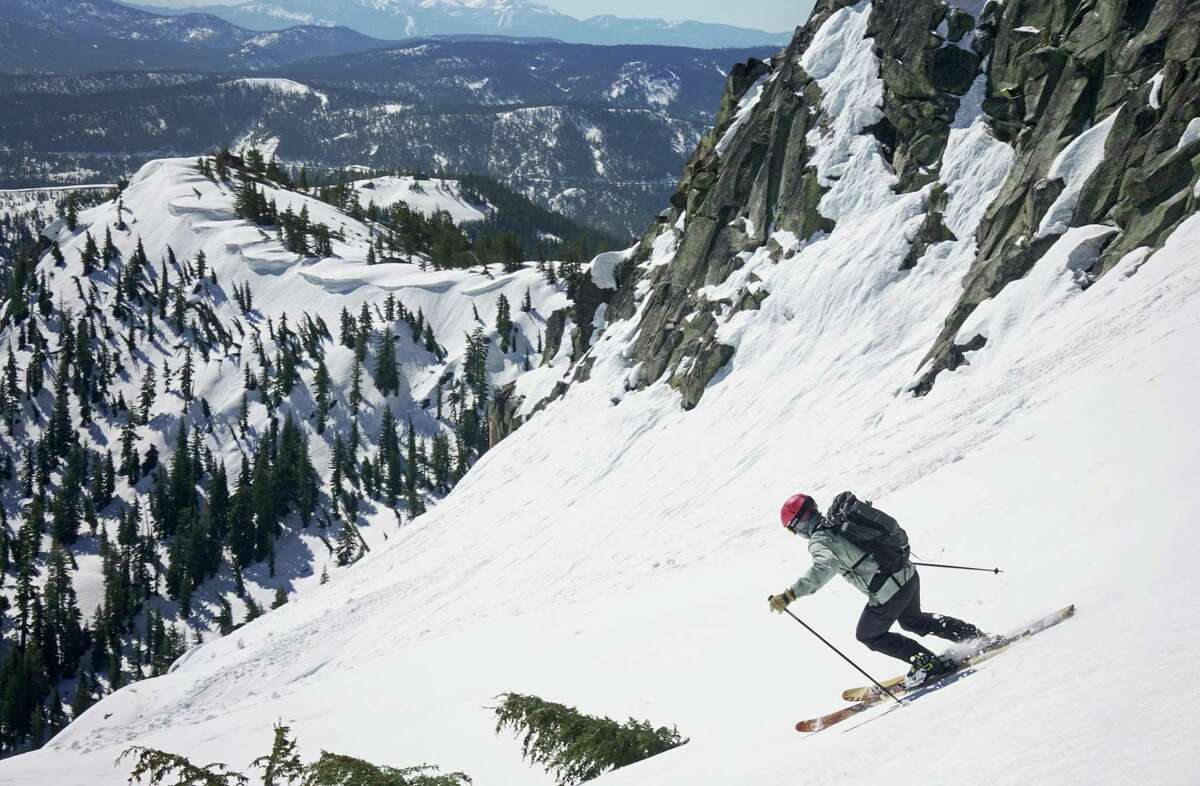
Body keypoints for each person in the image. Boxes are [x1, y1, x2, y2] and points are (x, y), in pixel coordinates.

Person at [768, 492, 997, 687]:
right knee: (913, 621)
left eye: (793, 530)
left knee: (868, 635)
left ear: (799, 524)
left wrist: (790, 594)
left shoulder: (820, 540)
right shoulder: (839, 522)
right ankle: (971, 635)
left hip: (888, 592)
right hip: (907, 574)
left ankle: (926, 662)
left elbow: (824, 566)